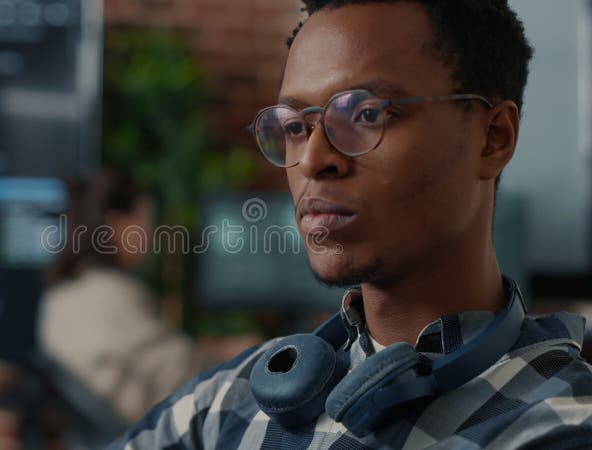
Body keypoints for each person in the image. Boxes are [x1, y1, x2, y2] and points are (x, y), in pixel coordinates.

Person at [108, 1, 592, 449]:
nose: (313, 160)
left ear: (492, 138)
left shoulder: (558, 427)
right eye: (296, 127)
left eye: (365, 113)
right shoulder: (225, 407)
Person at [38, 168, 255, 423]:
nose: (152, 232)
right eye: (145, 219)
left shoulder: (60, 296)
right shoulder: (112, 294)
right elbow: (182, 373)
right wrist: (236, 350)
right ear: (116, 224)